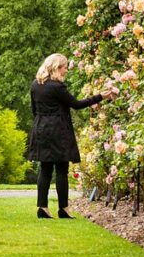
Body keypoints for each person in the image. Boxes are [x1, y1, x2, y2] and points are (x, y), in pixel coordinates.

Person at [27, 53, 110, 219]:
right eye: (64, 67)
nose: (66, 70)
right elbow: (77, 105)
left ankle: (42, 208)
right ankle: (63, 209)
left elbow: (34, 110)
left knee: (45, 169)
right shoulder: (57, 87)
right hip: (58, 131)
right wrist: (100, 96)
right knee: (61, 170)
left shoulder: (35, 85)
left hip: (41, 129)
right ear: (57, 67)